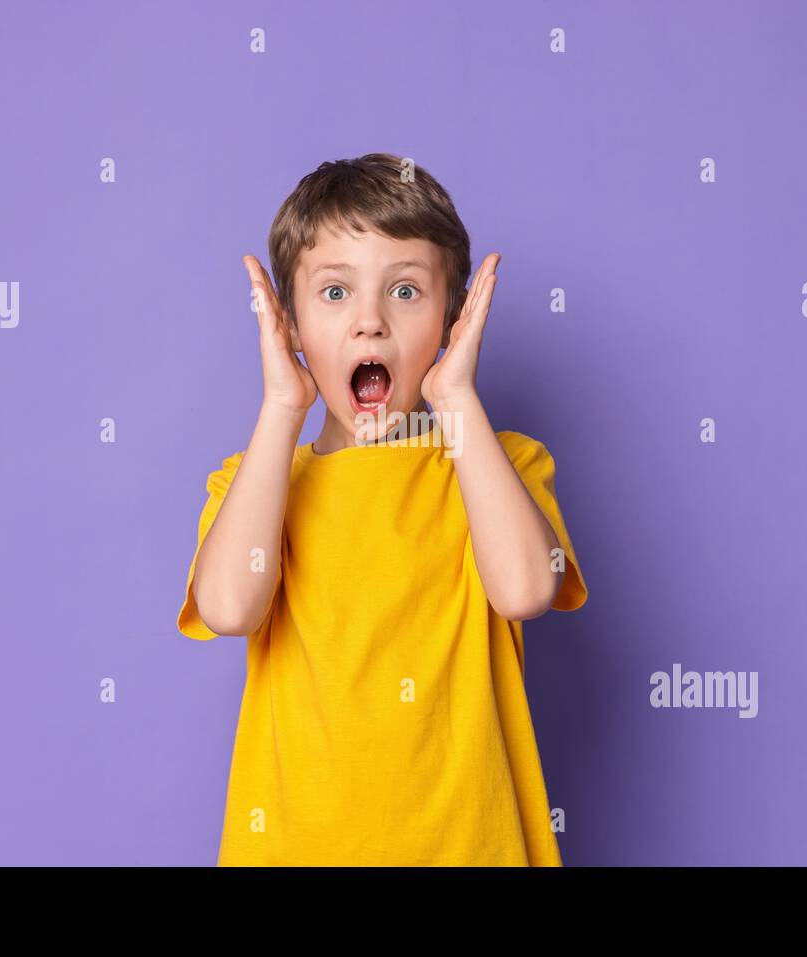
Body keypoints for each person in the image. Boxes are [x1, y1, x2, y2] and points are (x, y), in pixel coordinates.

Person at [177, 153, 587, 865]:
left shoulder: (500, 464)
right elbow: (228, 608)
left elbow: (524, 588)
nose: (369, 323)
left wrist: (456, 398)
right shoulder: (255, 483)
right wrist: (283, 404)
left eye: (404, 290)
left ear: (453, 321)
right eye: (334, 294)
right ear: (290, 324)